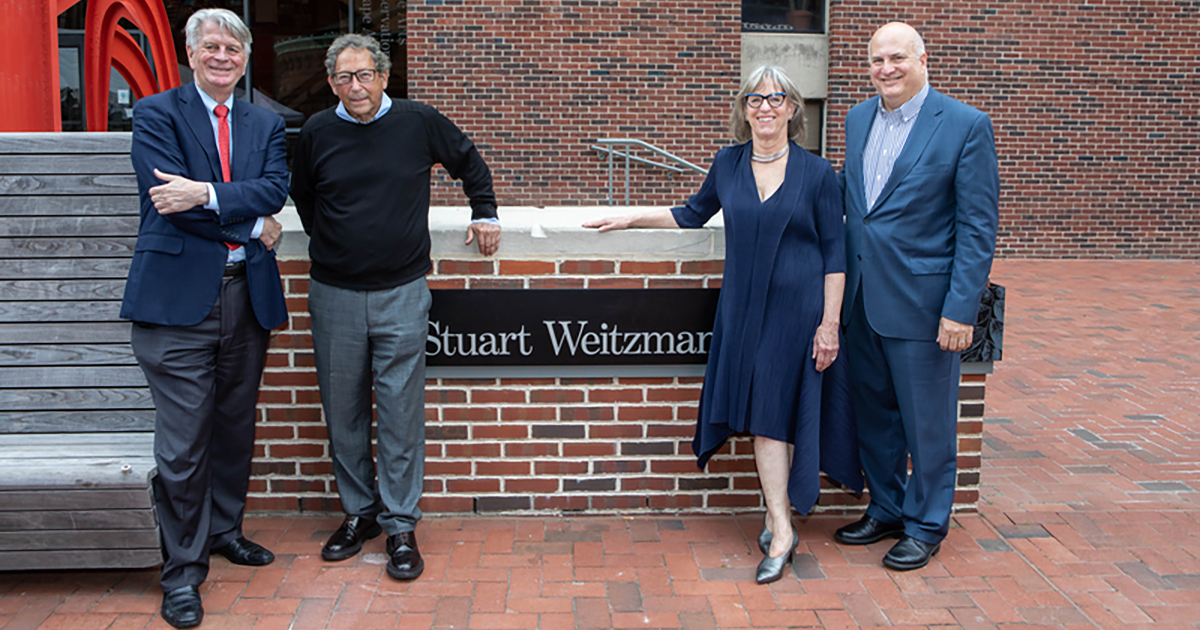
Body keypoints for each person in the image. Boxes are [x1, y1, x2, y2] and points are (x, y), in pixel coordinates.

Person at [584, 65, 863, 585]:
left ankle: (780, 529)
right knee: (762, 413)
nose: (764, 108)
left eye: (775, 98)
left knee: (770, 417)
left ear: (792, 109)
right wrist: (629, 218)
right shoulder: (728, 164)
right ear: (744, 109)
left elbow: (834, 256)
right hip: (742, 312)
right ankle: (777, 517)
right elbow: (691, 214)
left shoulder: (818, 173)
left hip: (798, 314)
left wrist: (829, 324)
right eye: (754, 99)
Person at [290, 33, 500, 581]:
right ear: (332, 82)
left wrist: (486, 212)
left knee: (401, 412)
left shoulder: (417, 121)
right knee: (344, 412)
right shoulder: (316, 131)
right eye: (342, 78)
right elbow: (305, 197)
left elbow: (470, 162)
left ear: (383, 77)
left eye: (363, 75)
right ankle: (360, 515)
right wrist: (335, 243)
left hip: (403, 291)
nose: (353, 87)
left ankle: (401, 523)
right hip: (333, 292)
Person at [120, 8, 287, 628]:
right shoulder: (157, 113)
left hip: (247, 295)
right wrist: (246, 221)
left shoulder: (264, 122)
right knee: (185, 443)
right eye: (211, 46)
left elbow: (274, 188)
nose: (223, 56)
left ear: (245, 58)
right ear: (192, 54)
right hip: (176, 303)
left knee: (233, 426)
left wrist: (208, 191)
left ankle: (224, 531)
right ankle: (183, 573)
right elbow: (168, 199)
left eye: (233, 48)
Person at [834, 22, 999, 571]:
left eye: (897, 58)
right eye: (877, 60)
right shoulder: (858, 118)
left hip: (926, 308)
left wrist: (960, 308)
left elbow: (977, 228)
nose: (887, 69)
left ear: (923, 58)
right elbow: (855, 199)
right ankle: (886, 507)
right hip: (863, 301)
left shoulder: (965, 125)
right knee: (875, 416)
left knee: (928, 423)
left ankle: (927, 524)